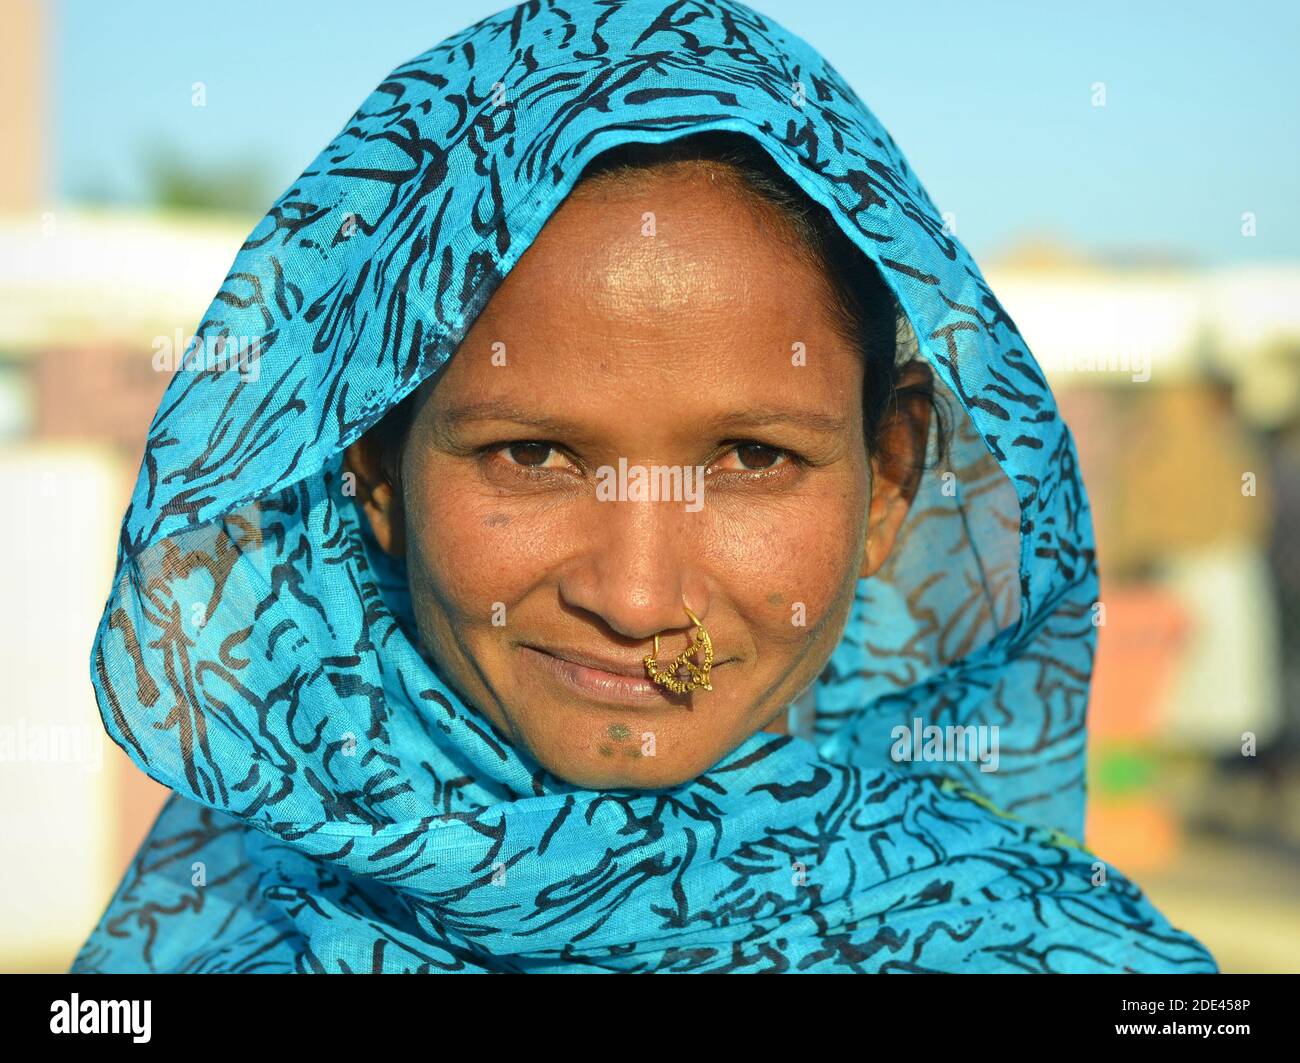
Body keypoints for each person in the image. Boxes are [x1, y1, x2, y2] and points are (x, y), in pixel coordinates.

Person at [71, 0, 1216, 973]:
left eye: (751, 460)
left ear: (888, 481)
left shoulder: (1058, 953)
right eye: (533, 456)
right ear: (374, 465)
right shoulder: (216, 933)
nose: (635, 596)